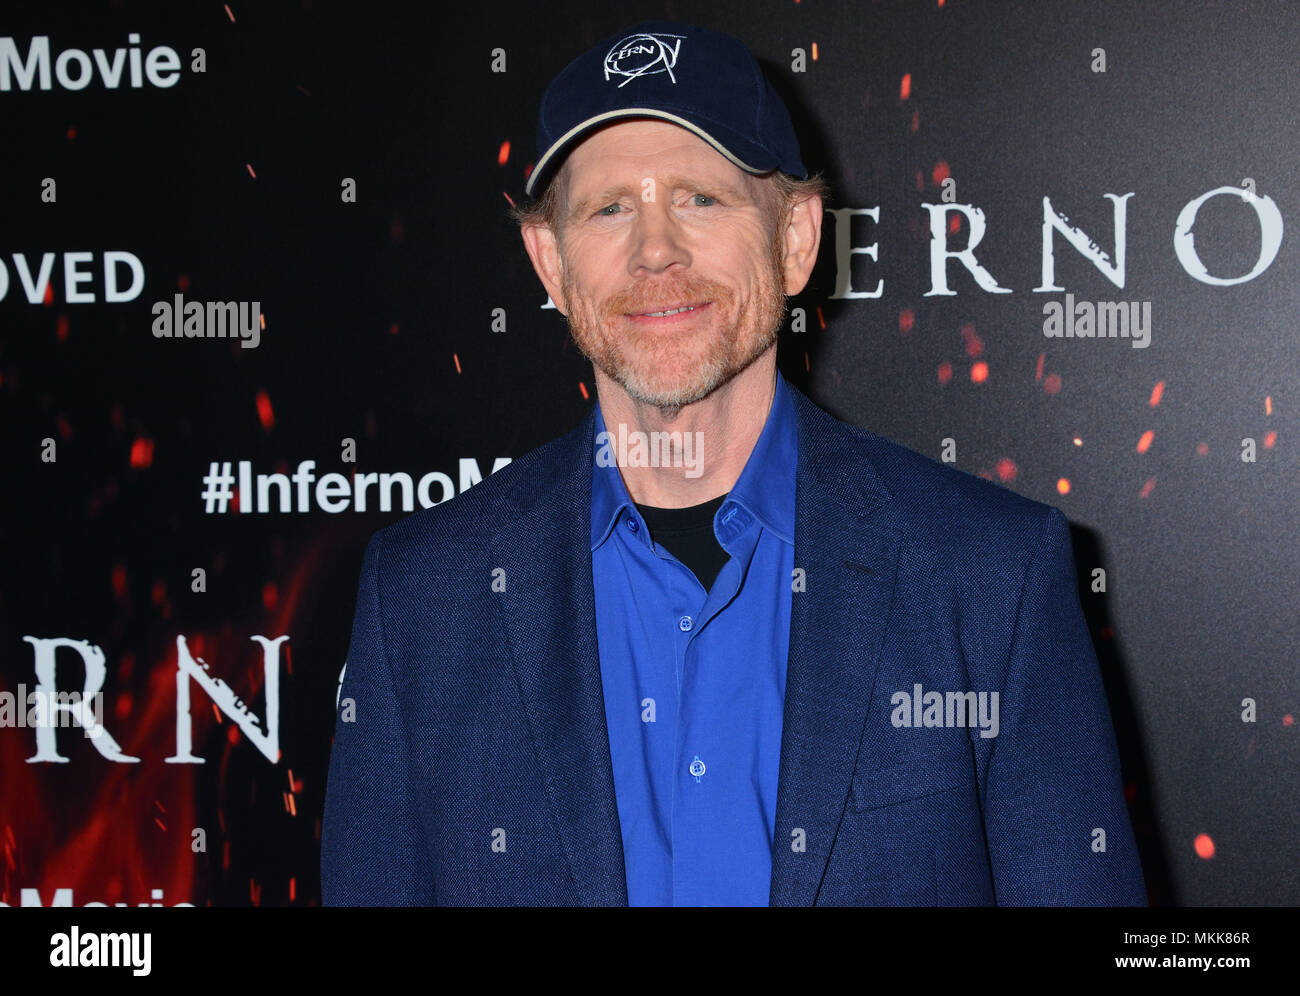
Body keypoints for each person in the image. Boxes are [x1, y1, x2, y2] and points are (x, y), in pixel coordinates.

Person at [321, 20, 1146, 906]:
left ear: (795, 240)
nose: (655, 251)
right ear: (550, 264)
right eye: (609, 209)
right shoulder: (424, 598)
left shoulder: (988, 576)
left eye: (700, 199)